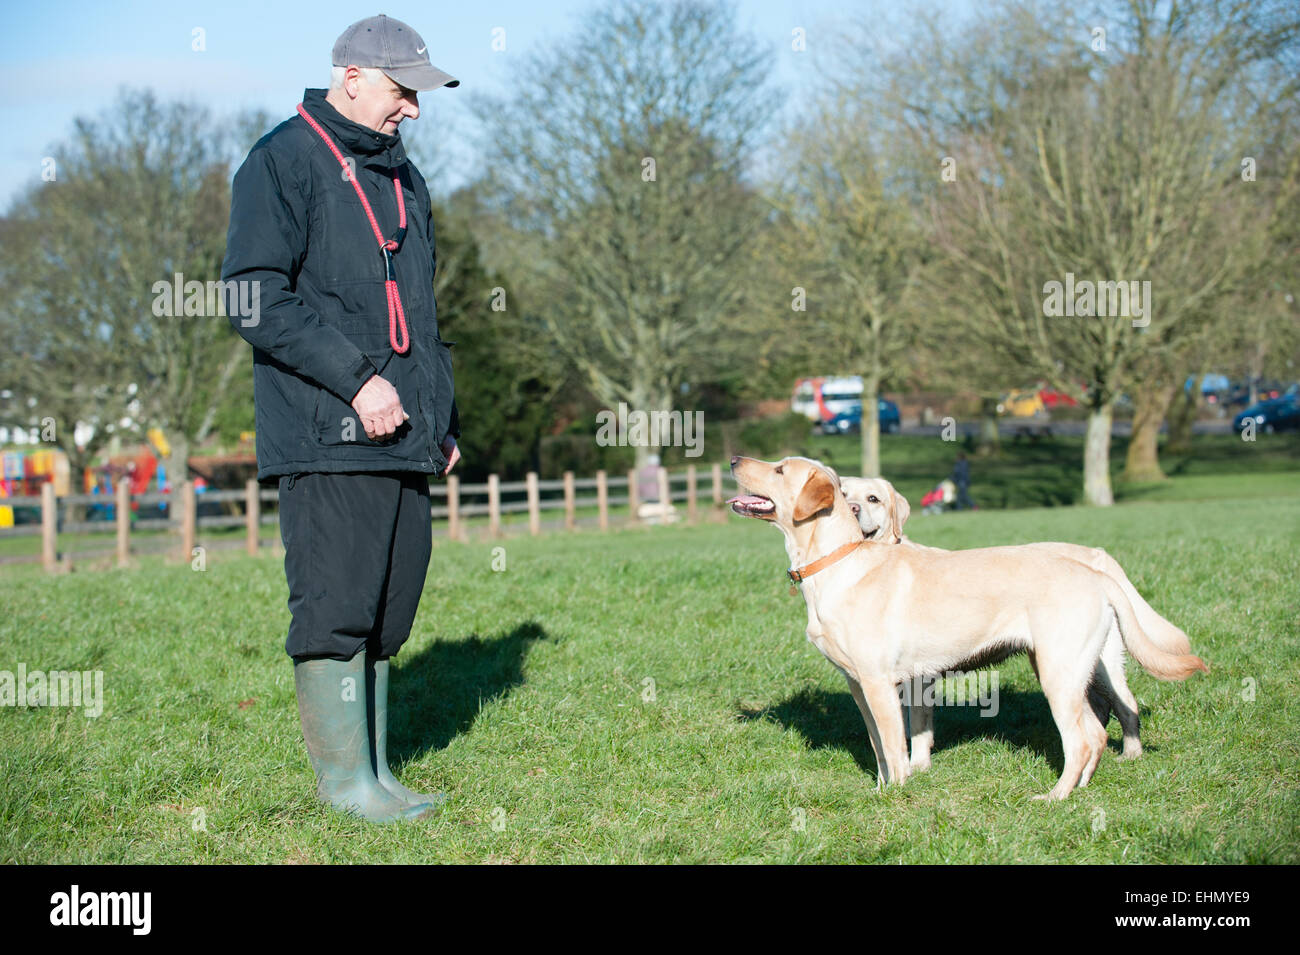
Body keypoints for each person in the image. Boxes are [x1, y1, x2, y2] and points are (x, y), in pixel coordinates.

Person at [221, 15, 461, 823]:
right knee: (338, 603)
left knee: (392, 607)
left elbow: (421, 315)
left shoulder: (405, 179)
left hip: (404, 437)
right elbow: (252, 295)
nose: (414, 112)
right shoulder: (280, 160)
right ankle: (344, 786)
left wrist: (439, 416)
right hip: (327, 433)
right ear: (352, 75)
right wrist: (359, 383)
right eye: (404, 93)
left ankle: (378, 770)